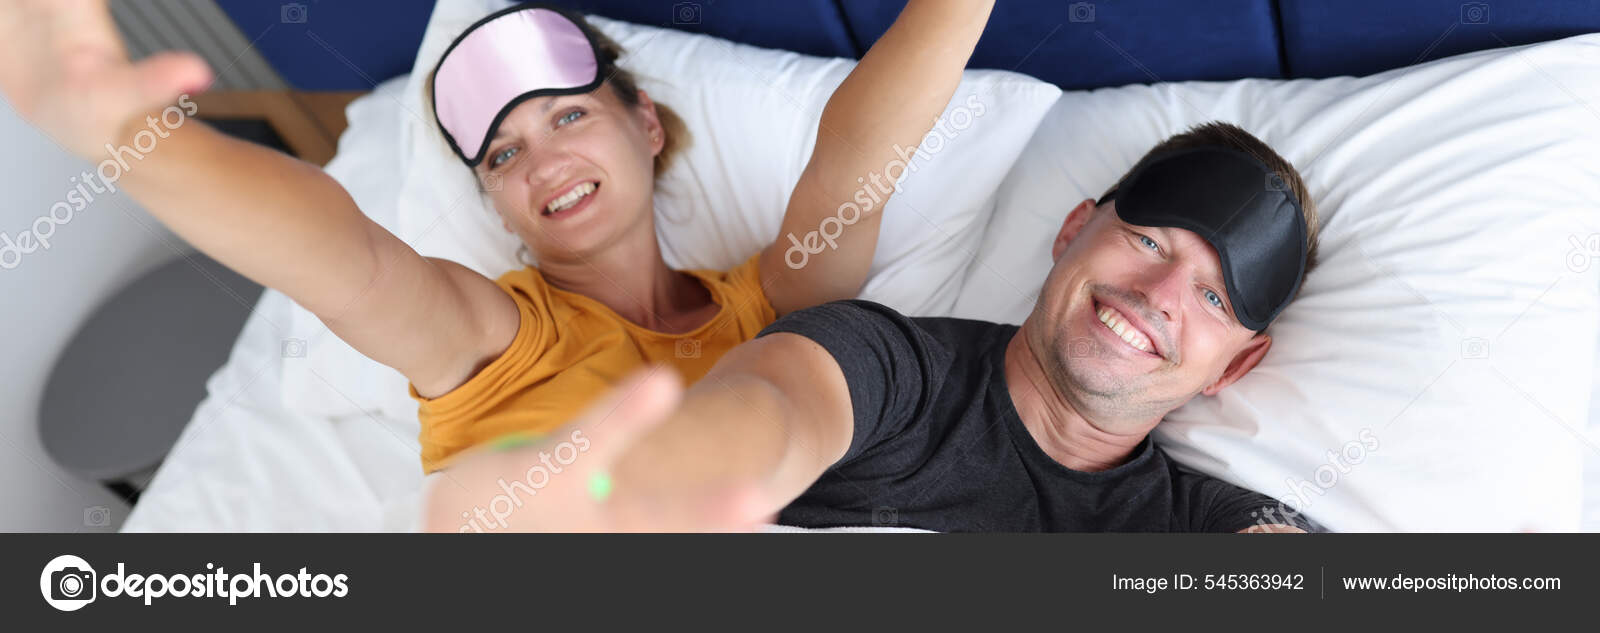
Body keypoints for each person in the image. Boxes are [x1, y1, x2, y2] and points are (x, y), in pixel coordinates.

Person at [0, 0, 995, 473]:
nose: (546, 162)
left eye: (568, 117)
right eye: (504, 155)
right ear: (494, 203)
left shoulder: (769, 310)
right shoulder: (499, 342)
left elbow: (856, 166)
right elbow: (354, 267)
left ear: (645, 125)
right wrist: (132, 144)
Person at [425, 122, 1326, 533]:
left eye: (1214, 297)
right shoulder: (889, 363)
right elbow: (775, 408)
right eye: (1147, 238)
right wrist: (658, 476)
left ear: (1235, 365)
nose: (1160, 290)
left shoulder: (1200, 529)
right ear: (1070, 232)